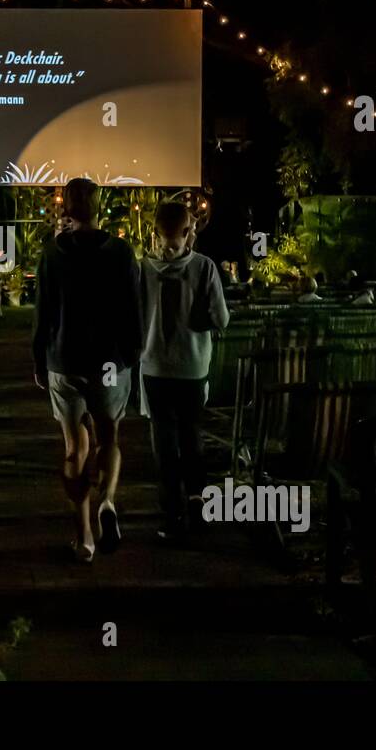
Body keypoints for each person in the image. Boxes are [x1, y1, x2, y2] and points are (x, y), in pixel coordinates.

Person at [33, 177, 142, 564]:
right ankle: (107, 501)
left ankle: (84, 539)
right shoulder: (121, 252)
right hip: (110, 361)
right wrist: (132, 354)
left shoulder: (52, 254)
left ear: (67, 208)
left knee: (73, 446)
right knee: (108, 436)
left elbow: (44, 312)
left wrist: (38, 359)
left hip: (64, 360)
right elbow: (134, 309)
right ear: (99, 207)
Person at [141, 202, 229, 542]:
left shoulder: (143, 269)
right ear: (187, 233)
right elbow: (221, 319)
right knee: (192, 436)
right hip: (193, 367)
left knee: (163, 441)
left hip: (155, 366)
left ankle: (172, 512)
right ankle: (197, 504)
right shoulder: (204, 267)